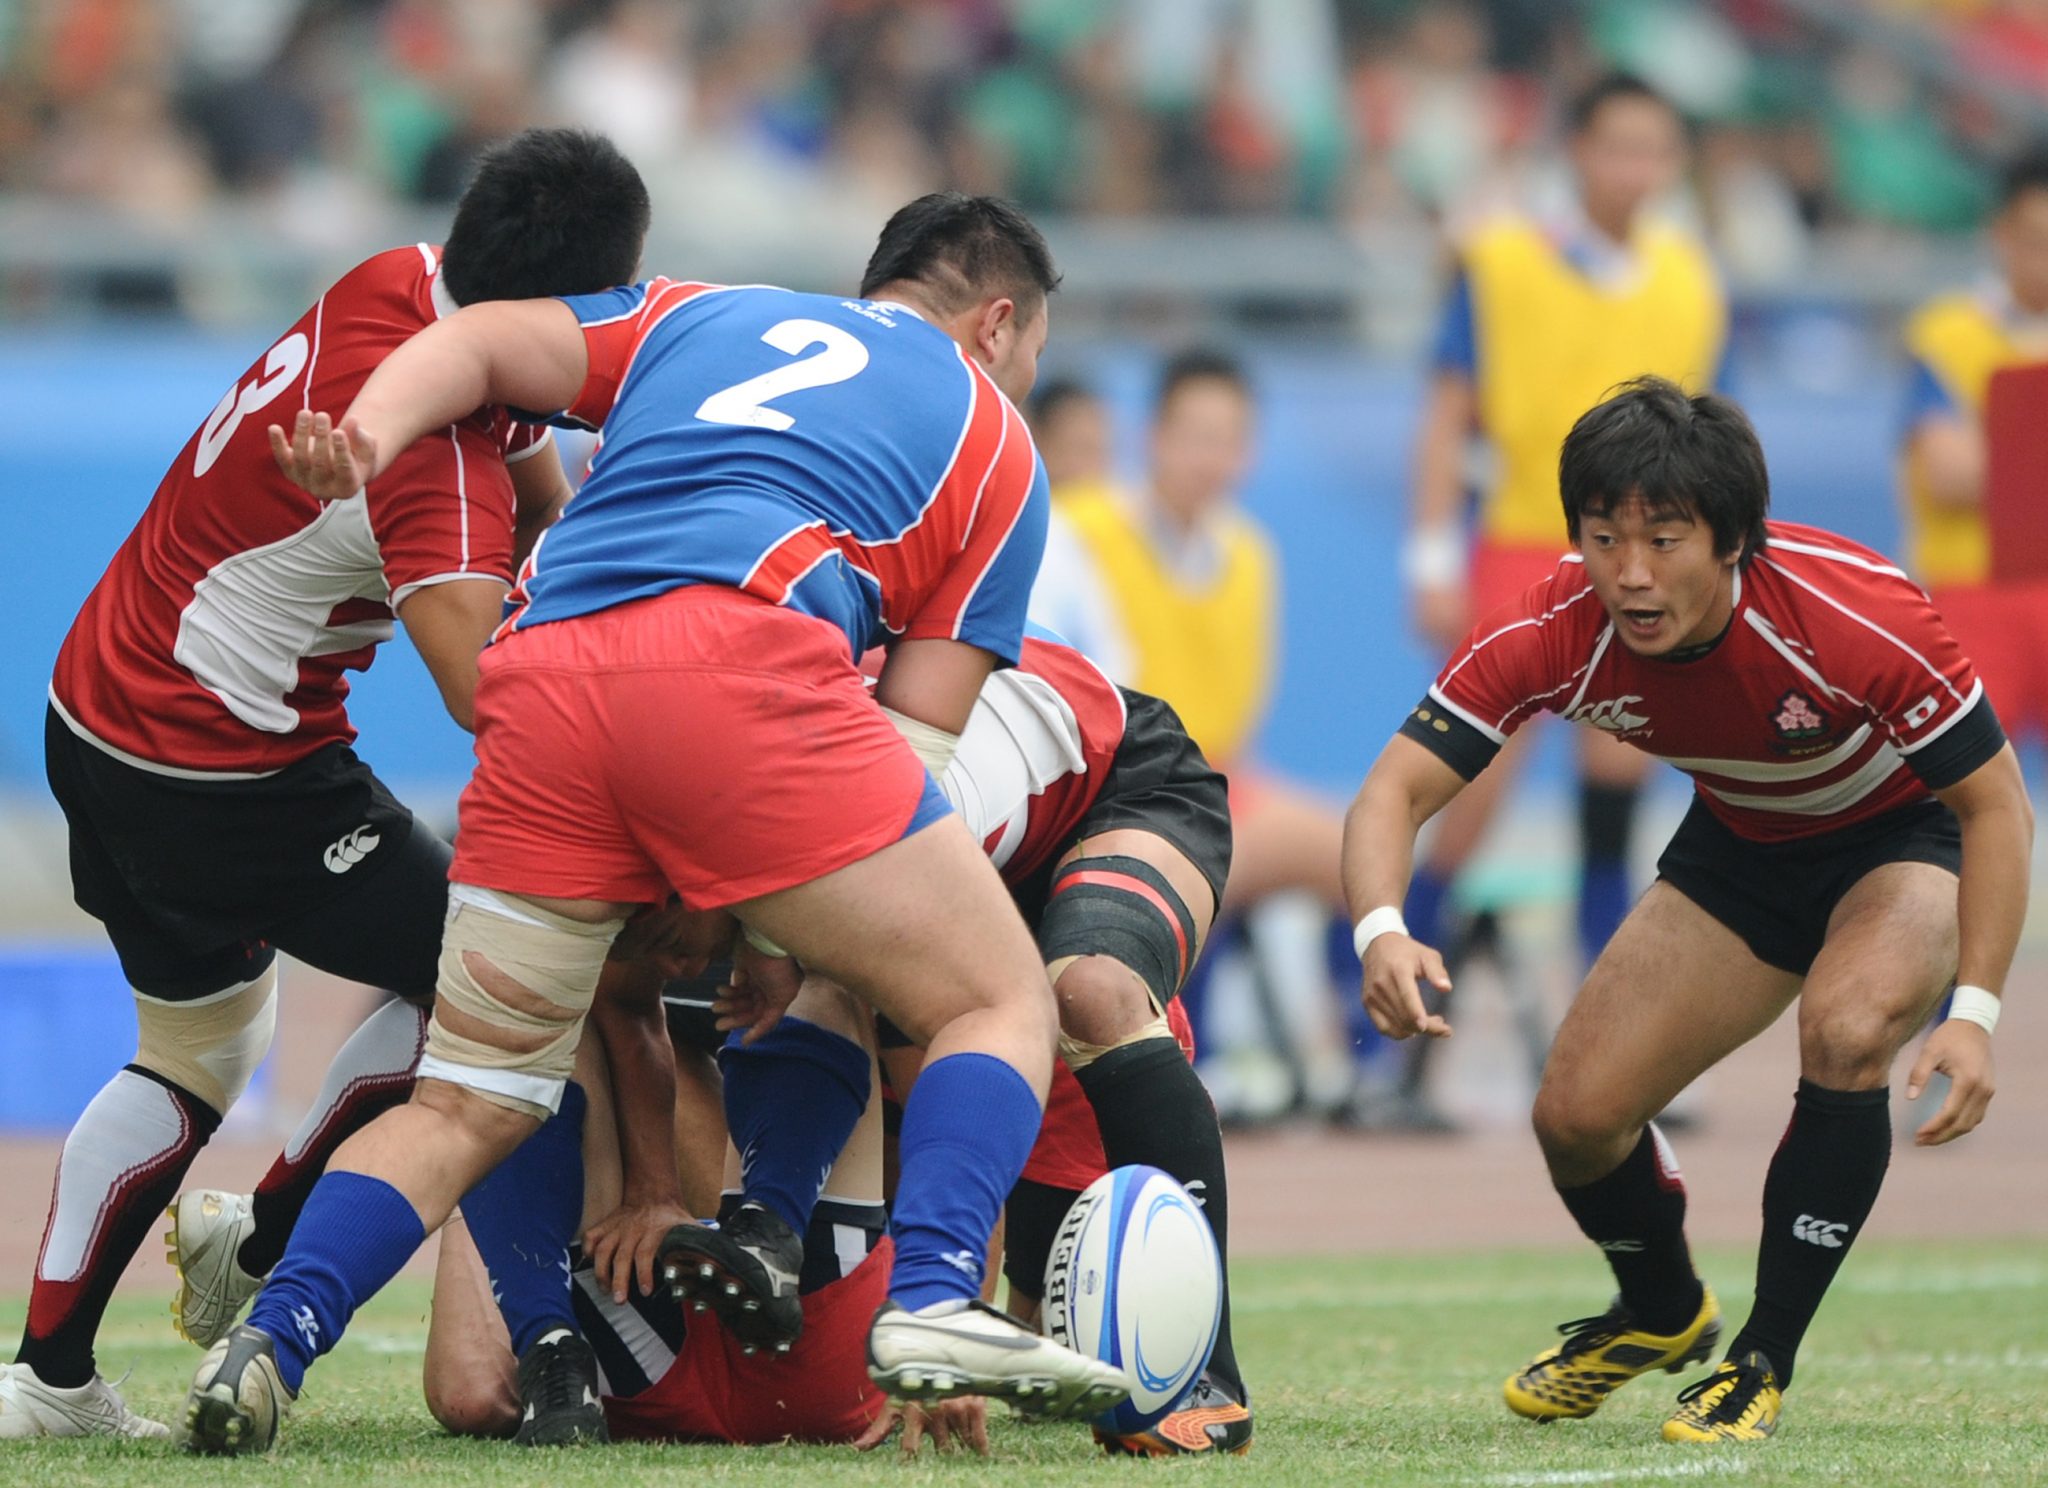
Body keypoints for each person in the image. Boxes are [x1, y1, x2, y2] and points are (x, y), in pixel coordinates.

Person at [180, 191, 1131, 1455]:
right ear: (999, 325)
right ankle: (932, 1297)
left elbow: (473, 342)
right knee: (991, 997)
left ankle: (268, 1340)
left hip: (541, 679)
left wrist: (366, 433)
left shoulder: (704, 311)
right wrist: (777, 921)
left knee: (471, 1099)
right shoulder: (998, 444)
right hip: (744, 659)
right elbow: (909, 740)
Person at [0, 128, 650, 1443]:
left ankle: (47, 1381)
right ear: (562, 306)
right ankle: (263, 1240)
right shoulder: (441, 465)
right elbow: (486, 693)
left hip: (101, 701)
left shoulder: (399, 280)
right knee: (485, 968)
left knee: (195, 1049)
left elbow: (537, 491)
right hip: (225, 770)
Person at [1345, 378, 2024, 1443]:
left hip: (1900, 841)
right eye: (1603, 537)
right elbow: (1393, 789)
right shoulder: (1554, 621)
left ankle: (1759, 1360)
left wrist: (1973, 1015)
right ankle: (1663, 1313)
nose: (1628, 572)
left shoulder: (1852, 613)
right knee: (1571, 1116)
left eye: (1663, 539)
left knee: (1844, 1030)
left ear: (1732, 542)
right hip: (1741, 849)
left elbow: (1993, 806)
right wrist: (1379, 928)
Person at [1403, 73, 1726, 973]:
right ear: (1577, 150)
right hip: (1521, 535)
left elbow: (1716, 436)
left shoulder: (1692, 282)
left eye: (1654, 148)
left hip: (1645, 554)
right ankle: (1394, 965)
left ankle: (1604, 981)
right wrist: (1430, 555)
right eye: (1617, 145)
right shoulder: (1502, 262)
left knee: (1619, 767)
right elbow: (1446, 413)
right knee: (1478, 772)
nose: (1635, 167)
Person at [419, 974, 899, 1448]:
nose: (679, 956)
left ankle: (549, 1342)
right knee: (820, 986)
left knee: (532, 1001)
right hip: (824, 1361)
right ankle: (767, 1230)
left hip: (635, 1359)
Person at [1898, 148, 2048, 741]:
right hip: (1974, 591)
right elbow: (1950, 475)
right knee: (1973, 792)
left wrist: (2006, 446)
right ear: (2002, 236)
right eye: (2037, 238)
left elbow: (1982, 466)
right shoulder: (1948, 333)